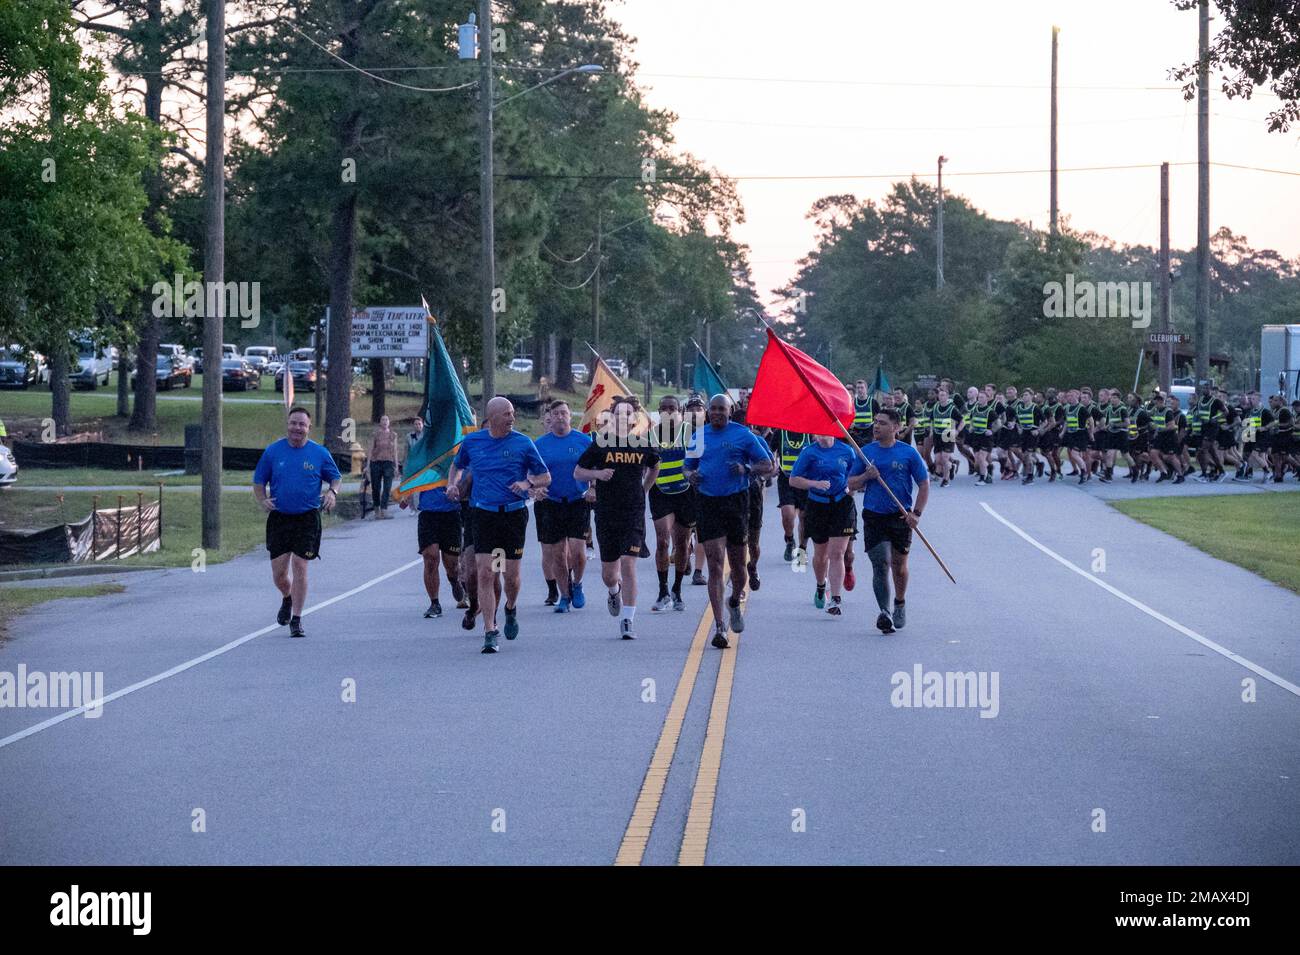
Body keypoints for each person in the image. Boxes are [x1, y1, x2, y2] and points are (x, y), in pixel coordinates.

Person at [446, 397, 551, 654]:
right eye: (507, 414)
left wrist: (527, 485)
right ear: (492, 418)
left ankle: (511, 608)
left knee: (510, 577)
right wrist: (452, 484)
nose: (512, 418)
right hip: (483, 515)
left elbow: (545, 476)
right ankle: (490, 629)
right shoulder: (473, 442)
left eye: (512, 413)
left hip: (513, 516)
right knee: (485, 572)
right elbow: (456, 466)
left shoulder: (523, 443)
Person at [683, 393, 776, 649]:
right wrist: (691, 476)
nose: (716, 413)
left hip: (736, 502)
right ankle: (720, 626)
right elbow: (687, 466)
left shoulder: (743, 435)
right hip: (707, 502)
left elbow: (767, 464)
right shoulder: (698, 436)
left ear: (730, 410)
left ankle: (734, 600)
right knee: (715, 564)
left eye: (721, 409)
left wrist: (747, 469)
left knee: (738, 567)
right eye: (712, 409)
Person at [252, 407, 342, 639]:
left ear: (309, 428)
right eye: (293, 423)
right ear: (287, 425)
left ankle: (297, 619)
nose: (297, 428)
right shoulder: (273, 452)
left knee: (300, 566)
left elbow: (336, 477)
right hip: (280, 518)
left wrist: (332, 492)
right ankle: (287, 597)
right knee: (280, 575)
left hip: (307, 517)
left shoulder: (319, 453)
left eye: (302, 425)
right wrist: (262, 500)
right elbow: (258, 481)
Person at [574, 396, 660, 639]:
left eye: (627, 414)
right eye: (618, 414)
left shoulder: (641, 444)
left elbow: (655, 465)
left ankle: (628, 620)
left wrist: (644, 488)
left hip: (632, 512)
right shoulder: (601, 445)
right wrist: (598, 474)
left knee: (628, 564)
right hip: (606, 512)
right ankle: (614, 591)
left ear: (634, 419)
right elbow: (578, 472)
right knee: (610, 574)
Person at [858, 408, 930, 635]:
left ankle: (899, 602)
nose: (876, 426)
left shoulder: (908, 453)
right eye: (875, 422)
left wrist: (916, 514)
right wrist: (865, 477)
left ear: (896, 428)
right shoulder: (865, 453)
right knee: (881, 563)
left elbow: (924, 484)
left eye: (882, 423)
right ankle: (884, 612)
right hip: (874, 515)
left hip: (901, 516)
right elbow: (850, 484)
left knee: (899, 566)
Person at [789, 433, 866, 617]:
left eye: (825, 432)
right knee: (821, 555)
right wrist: (814, 483)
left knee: (837, 553)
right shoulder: (809, 452)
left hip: (842, 503)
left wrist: (853, 487)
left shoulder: (846, 451)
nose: (821, 436)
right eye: (817, 433)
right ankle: (821, 585)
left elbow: (854, 476)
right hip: (817, 506)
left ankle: (836, 599)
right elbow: (794, 479)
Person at [532, 399, 592, 613]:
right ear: (551, 416)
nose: (560, 417)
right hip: (552, 502)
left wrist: (593, 487)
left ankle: (578, 583)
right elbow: (530, 473)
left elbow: (597, 467)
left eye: (564, 413)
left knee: (578, 551)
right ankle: (564, 596)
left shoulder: (583, 441)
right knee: (558, 553)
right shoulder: (540, 444)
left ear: (570, 416)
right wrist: (535, 489)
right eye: (556, 413)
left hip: (577, 500)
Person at [648, 395, 698, 612]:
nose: (668, 411)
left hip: (686, 493)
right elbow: (643, 466)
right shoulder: (650, 435)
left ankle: (677, 589)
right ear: (659, 412)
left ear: (680, 410)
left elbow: (700, 461)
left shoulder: (691, 433)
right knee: (662, 542)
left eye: (673, 408)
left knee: (682, 543)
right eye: (664, 408)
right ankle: (663, 591)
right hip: (660, 492)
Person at [402, 481, 465, 619]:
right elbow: (414, 473)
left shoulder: (452, 461)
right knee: (430, 558)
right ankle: (434, 603)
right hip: (428, 514)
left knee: (452, 565)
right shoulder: (424, 461)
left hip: (451, 514)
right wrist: (406, 493)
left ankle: (454, 581)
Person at [772, 426, 811, 563]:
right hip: (786, 480)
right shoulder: (780, 433)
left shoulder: (810, 433)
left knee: (804, 517)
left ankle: (802, 549)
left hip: (805, 481)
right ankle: (789, 540)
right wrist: (772, 466)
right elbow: (770, 452)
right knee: (788, 514)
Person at [368, 414, 399, 517]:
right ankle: (376, 508)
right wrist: (368, 465)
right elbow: (370, 449)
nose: (385, 422)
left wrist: (396, 466)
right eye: (383, 420)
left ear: (389, 422)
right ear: (380, 422)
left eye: (387, 420)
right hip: (376, 462)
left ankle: (384, 509)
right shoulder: (375, 434)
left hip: (389, 463)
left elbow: (395, 451)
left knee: (387, 487)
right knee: (376, 487)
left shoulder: (393, 435)